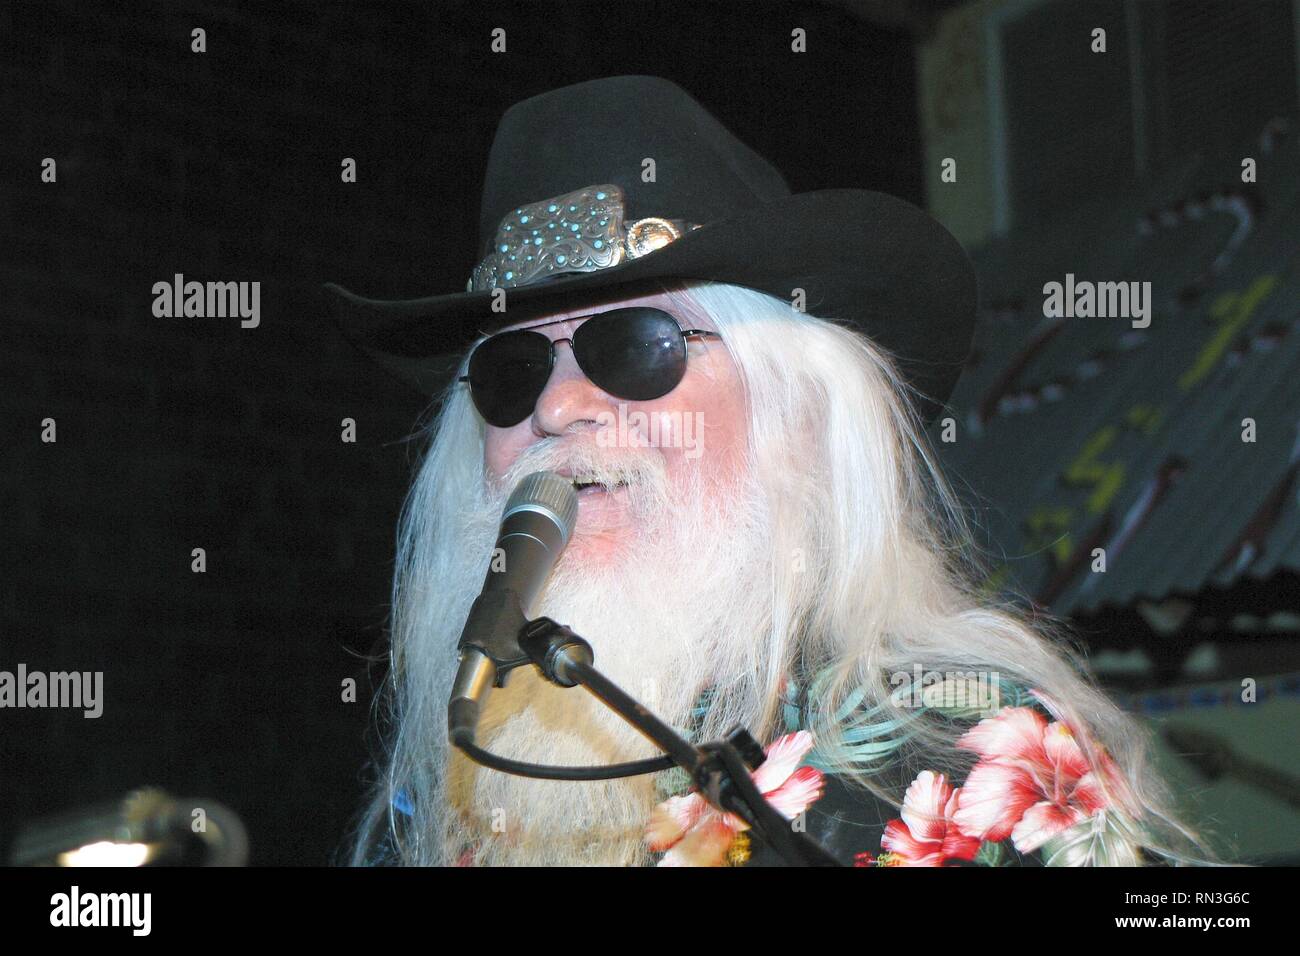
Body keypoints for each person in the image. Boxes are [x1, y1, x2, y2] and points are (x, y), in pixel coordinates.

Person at [326, 75, 1212, 867]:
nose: (556, 409)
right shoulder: (446, 809)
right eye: (511, 372)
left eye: (635, 348)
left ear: (795, 416)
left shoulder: (974, 759)